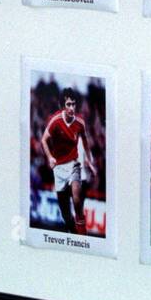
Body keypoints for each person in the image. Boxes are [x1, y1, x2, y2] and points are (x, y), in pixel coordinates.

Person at [40, 89, 95, 236]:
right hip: (58, 169)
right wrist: (50, 157)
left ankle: (83, 238)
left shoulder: (80, 122)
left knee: (77, 200)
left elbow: (86, 141)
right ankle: (74, 234)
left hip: (73, 164)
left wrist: (89, 161)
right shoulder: (55, 121)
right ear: (63, 105)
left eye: (74, 104)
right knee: (65, 214)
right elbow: (44, 139)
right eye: (68, 104)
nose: (72, 108)